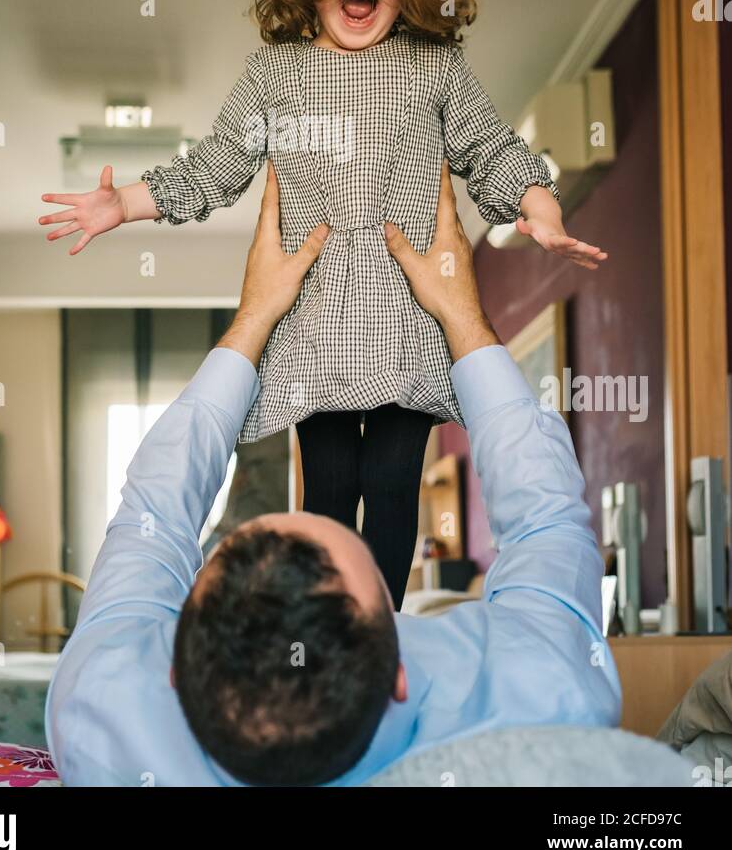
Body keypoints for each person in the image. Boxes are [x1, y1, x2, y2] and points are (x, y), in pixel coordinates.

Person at [39, 0, 606, 608]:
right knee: (330, 489)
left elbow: (489, 147)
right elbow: (213, 167)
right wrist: (127, 202)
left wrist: (535, 202)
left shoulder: (433, 68)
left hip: (407, 313)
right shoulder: (274, 76)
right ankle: (332, 621)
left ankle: (381, 622)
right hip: (314, 322)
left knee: (395, 481)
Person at [45, 163, 620, 788]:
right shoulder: (549, 697)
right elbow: (549, 523)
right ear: (397, 672)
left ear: (176, 672)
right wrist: (462, 319)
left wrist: (254, 318)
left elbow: (147, 518)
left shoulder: (99, 712)